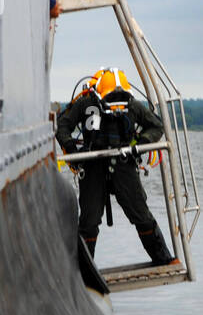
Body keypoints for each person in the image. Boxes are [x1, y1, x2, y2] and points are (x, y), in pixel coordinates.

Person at [56, 68, 177, 266]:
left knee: (141, 213)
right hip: (93, 165)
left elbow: (156, 126)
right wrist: (71, 149)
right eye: (113, 98)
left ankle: (162, 258)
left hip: (124, 164)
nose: (117, 102)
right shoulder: (85, 104)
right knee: (89, 221)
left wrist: (139, 145)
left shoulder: (133, 106)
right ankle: (82, 270)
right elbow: (62, 125)